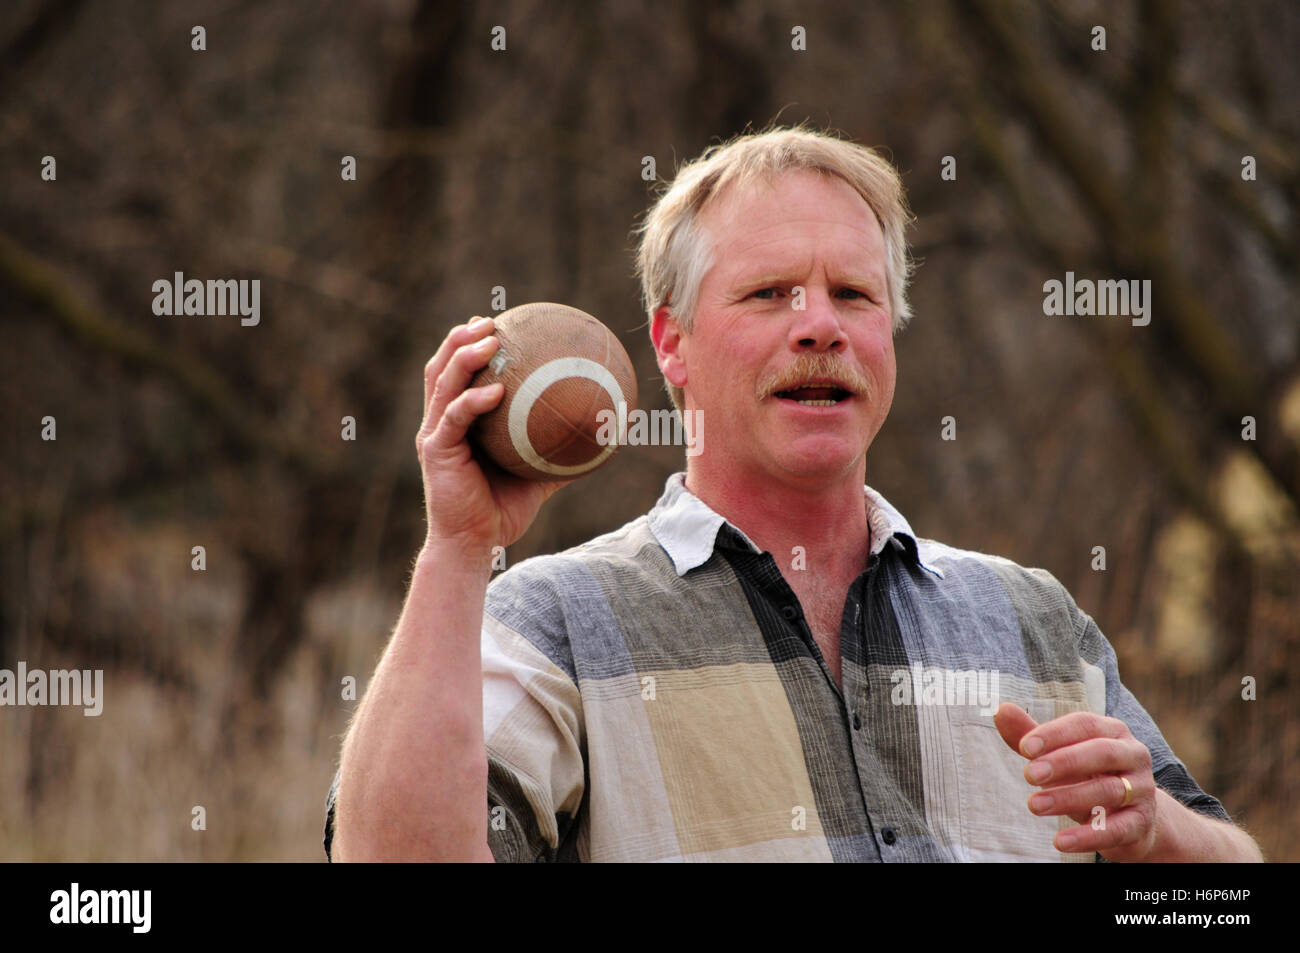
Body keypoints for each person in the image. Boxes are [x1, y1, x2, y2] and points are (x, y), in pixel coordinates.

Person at [325, 124, 1262, 862]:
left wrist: (1158, 837)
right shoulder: (556, 622)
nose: (820, 325)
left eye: (853, 294)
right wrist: (457, 546)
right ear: (671, 344)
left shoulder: (1030, 619)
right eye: (770, 293)